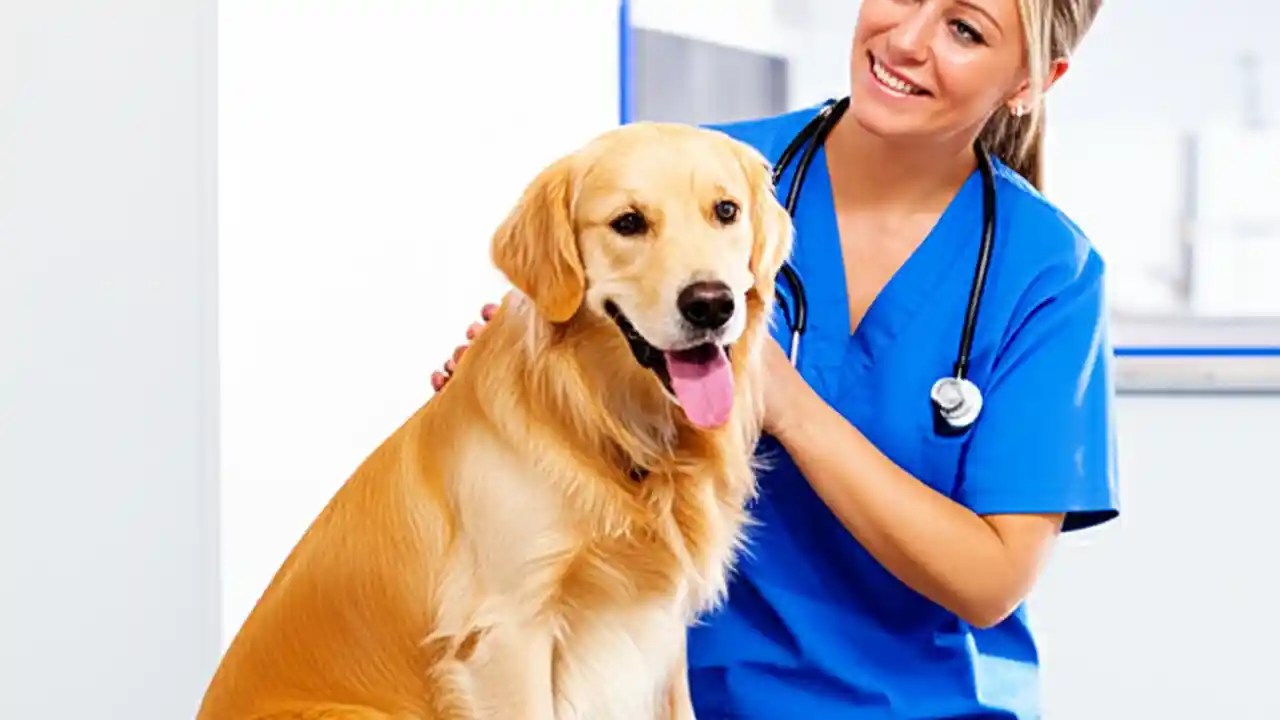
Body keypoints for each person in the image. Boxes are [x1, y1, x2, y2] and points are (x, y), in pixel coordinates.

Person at [431, 0, 1117, 716]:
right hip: (688, 698)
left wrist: (788, 406)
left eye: (965, 29)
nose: (908, 40)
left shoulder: (1048, 271)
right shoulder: (699, 175)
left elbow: (991, 579)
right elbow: (566, 412)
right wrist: (516, 388)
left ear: (1032, 82)